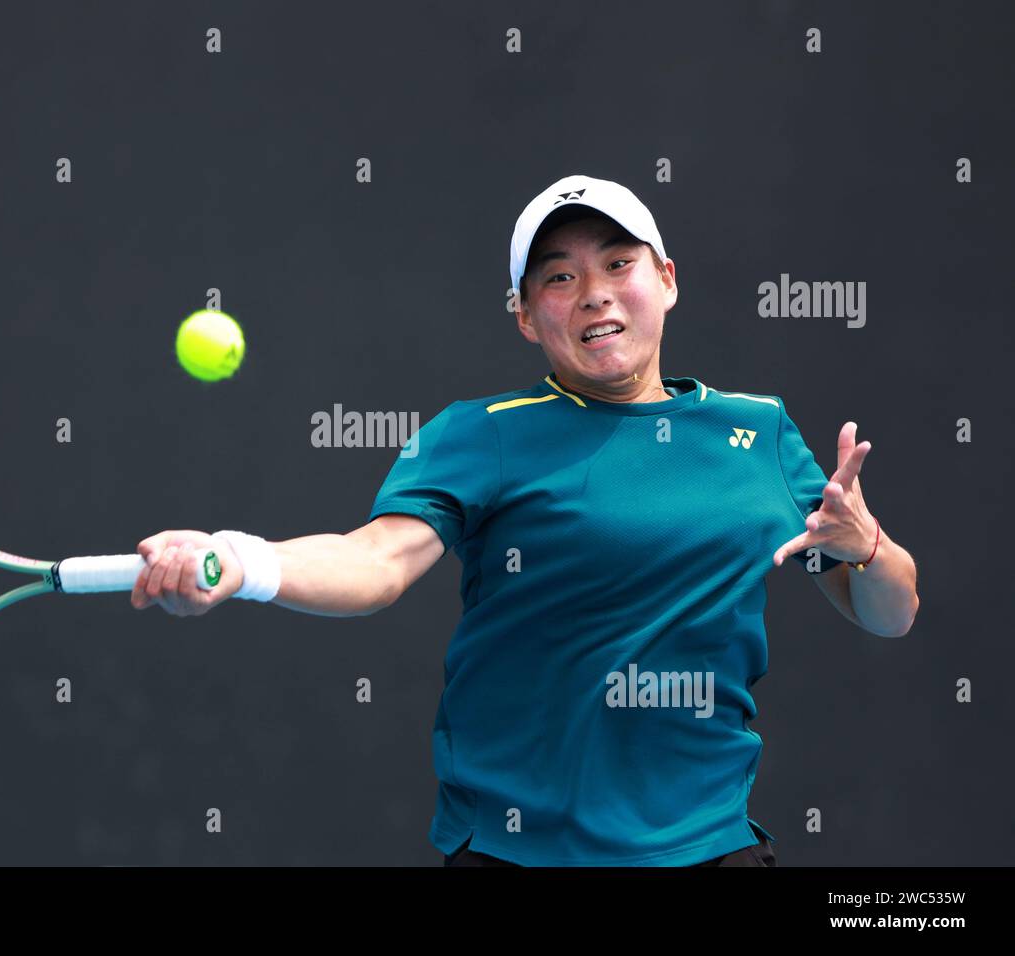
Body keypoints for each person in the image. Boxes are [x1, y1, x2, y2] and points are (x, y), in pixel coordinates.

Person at [129, 174, 919, 867]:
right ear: (524, 316)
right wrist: (240, 560)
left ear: (667, 279)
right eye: (559, 277)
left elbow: (891, 614)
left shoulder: (760, 430)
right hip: (518, 852)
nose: (595, 292)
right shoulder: (486, 431)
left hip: (712, 847)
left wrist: (867, 546)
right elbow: (376, 562)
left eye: (618, 263)